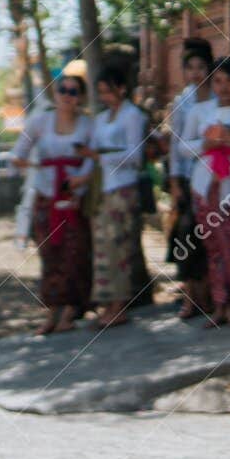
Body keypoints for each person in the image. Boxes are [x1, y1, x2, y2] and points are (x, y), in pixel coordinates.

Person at [11, 74, 93, 334]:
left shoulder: (88, 125)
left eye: (74, 91)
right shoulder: (40, 121)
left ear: (80, 97)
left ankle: (71, 309)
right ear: (56, 93)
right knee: (49, 253)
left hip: (74, 196)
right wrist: (27, 164)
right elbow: (18, 152)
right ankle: (52, 310)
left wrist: (83, 178)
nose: (68, 96)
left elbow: (94, 157)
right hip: (47, 194)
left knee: (75, 251)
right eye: (63, 90)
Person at [180, 56, 230, 326]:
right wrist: (206, 144)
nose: (224, 87)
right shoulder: (199, 111)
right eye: (218, 81)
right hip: (204, 184)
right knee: (214, 248)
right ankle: (220, 305)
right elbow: (180, 147)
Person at [79, 66, 149, 329]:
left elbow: (136, 156)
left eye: (108, 91)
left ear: (121, 88)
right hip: (102, 189)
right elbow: (92, 155)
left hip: (124, 187)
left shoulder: (133, 115)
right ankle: (107, 303)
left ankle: (119, 305)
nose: (105, 97)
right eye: (101, 92)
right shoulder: (101, 119)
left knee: (120, 248)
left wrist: (102, 157)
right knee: (102, 249)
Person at [164, 40, 214, 317]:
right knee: (187, 237)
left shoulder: (219, 98)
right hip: (186, 175)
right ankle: (191, 297)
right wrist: (174, 181)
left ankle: (211, 296)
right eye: (189, 67)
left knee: (211, 235)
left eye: (200, 66)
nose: (195, 73)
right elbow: (176, 144)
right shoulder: (183, 101)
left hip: (214, 175)